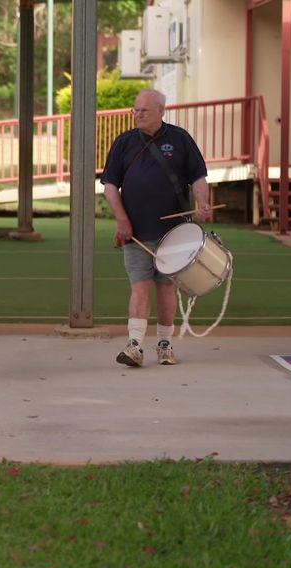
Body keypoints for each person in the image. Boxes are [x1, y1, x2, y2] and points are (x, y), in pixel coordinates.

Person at [101, 88, 212, 368]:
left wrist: (203, 202)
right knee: (139, 287)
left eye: (144, 111)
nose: (138, 114)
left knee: (165, 288)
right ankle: (135, 345)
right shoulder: (124, 141)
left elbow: (198, 177)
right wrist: (121, 220)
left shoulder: (180, 138)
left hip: (175, 232)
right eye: (135, 110)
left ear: (161, 111)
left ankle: (164, 345)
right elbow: (110, 186)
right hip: (135, 231)